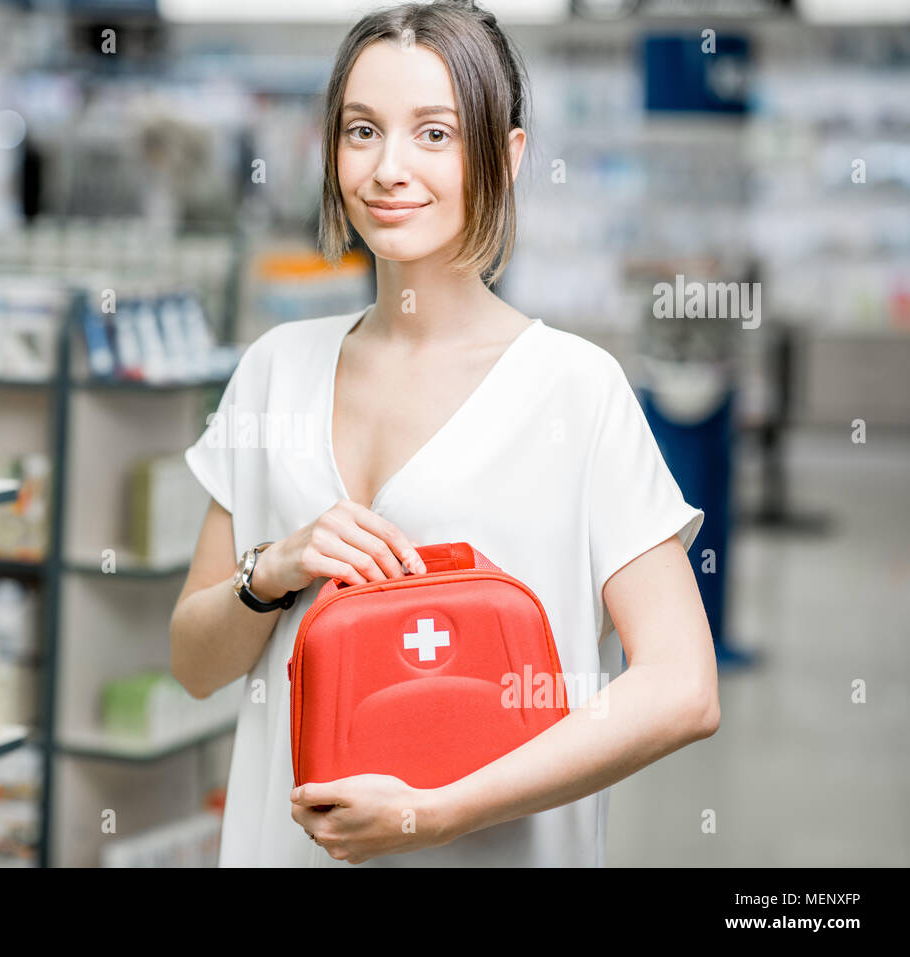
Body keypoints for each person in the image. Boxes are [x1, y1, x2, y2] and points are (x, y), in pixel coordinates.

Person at [172, 0, 718, 867]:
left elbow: (683, 687)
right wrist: (274, 568)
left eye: (435, 133)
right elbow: (196, 661)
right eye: (362, 131)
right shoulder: (276, 369)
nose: (390, 168)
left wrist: (440, 810)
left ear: (506, 157)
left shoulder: (574, 390)